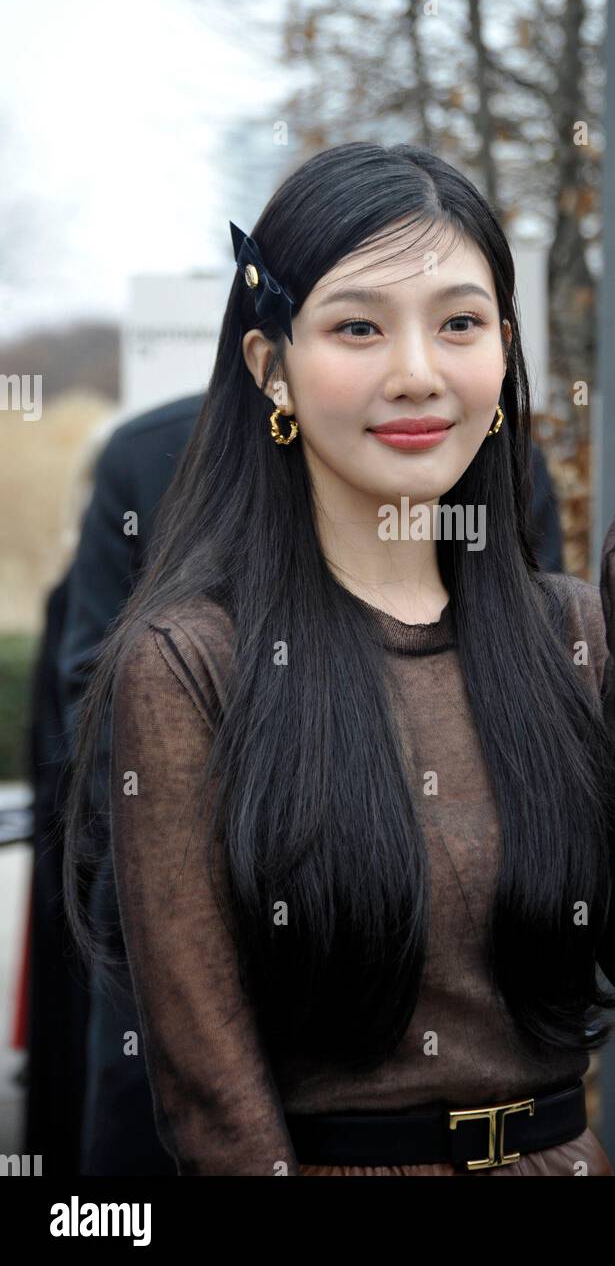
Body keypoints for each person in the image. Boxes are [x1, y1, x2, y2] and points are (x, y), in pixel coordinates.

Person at [62, 143, 615, 1177]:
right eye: (358, 326)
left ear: (504, 353)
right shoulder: (191, 662)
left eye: (459, 323)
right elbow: (210, 1104)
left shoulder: (571, 633)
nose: (417, 372)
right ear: (270, 366)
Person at [57, 390, 562, 1176]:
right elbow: (92, 697)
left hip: (442, 966)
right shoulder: (150, 453)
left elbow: (526, 694)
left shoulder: (496, 462)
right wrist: (199, 878)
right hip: (178, 928)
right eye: (354, 322)